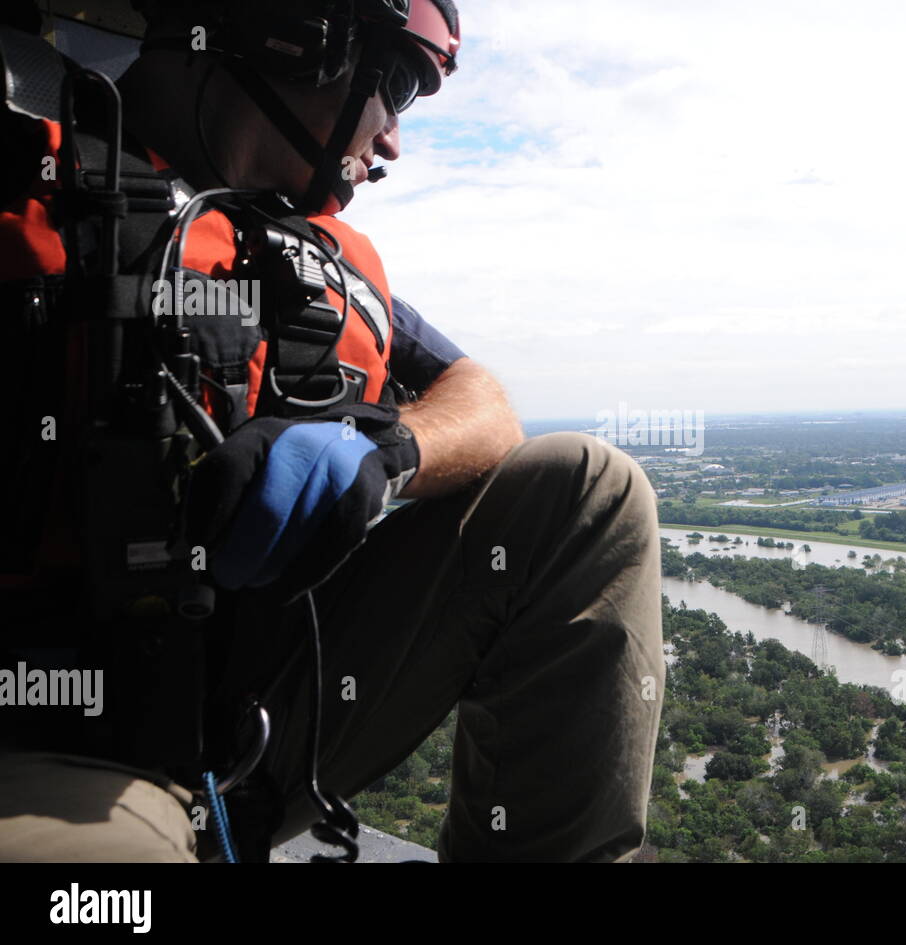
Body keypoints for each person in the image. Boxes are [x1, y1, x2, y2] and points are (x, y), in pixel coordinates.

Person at [0, 0, 664, 862]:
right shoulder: (29, 195)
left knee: (589, 491)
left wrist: (389, 453)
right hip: (55, 737)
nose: (391, 139)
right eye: (390, 84)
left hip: (257, 716)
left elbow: (485, 400)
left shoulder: (305, 253)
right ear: (295, 33)